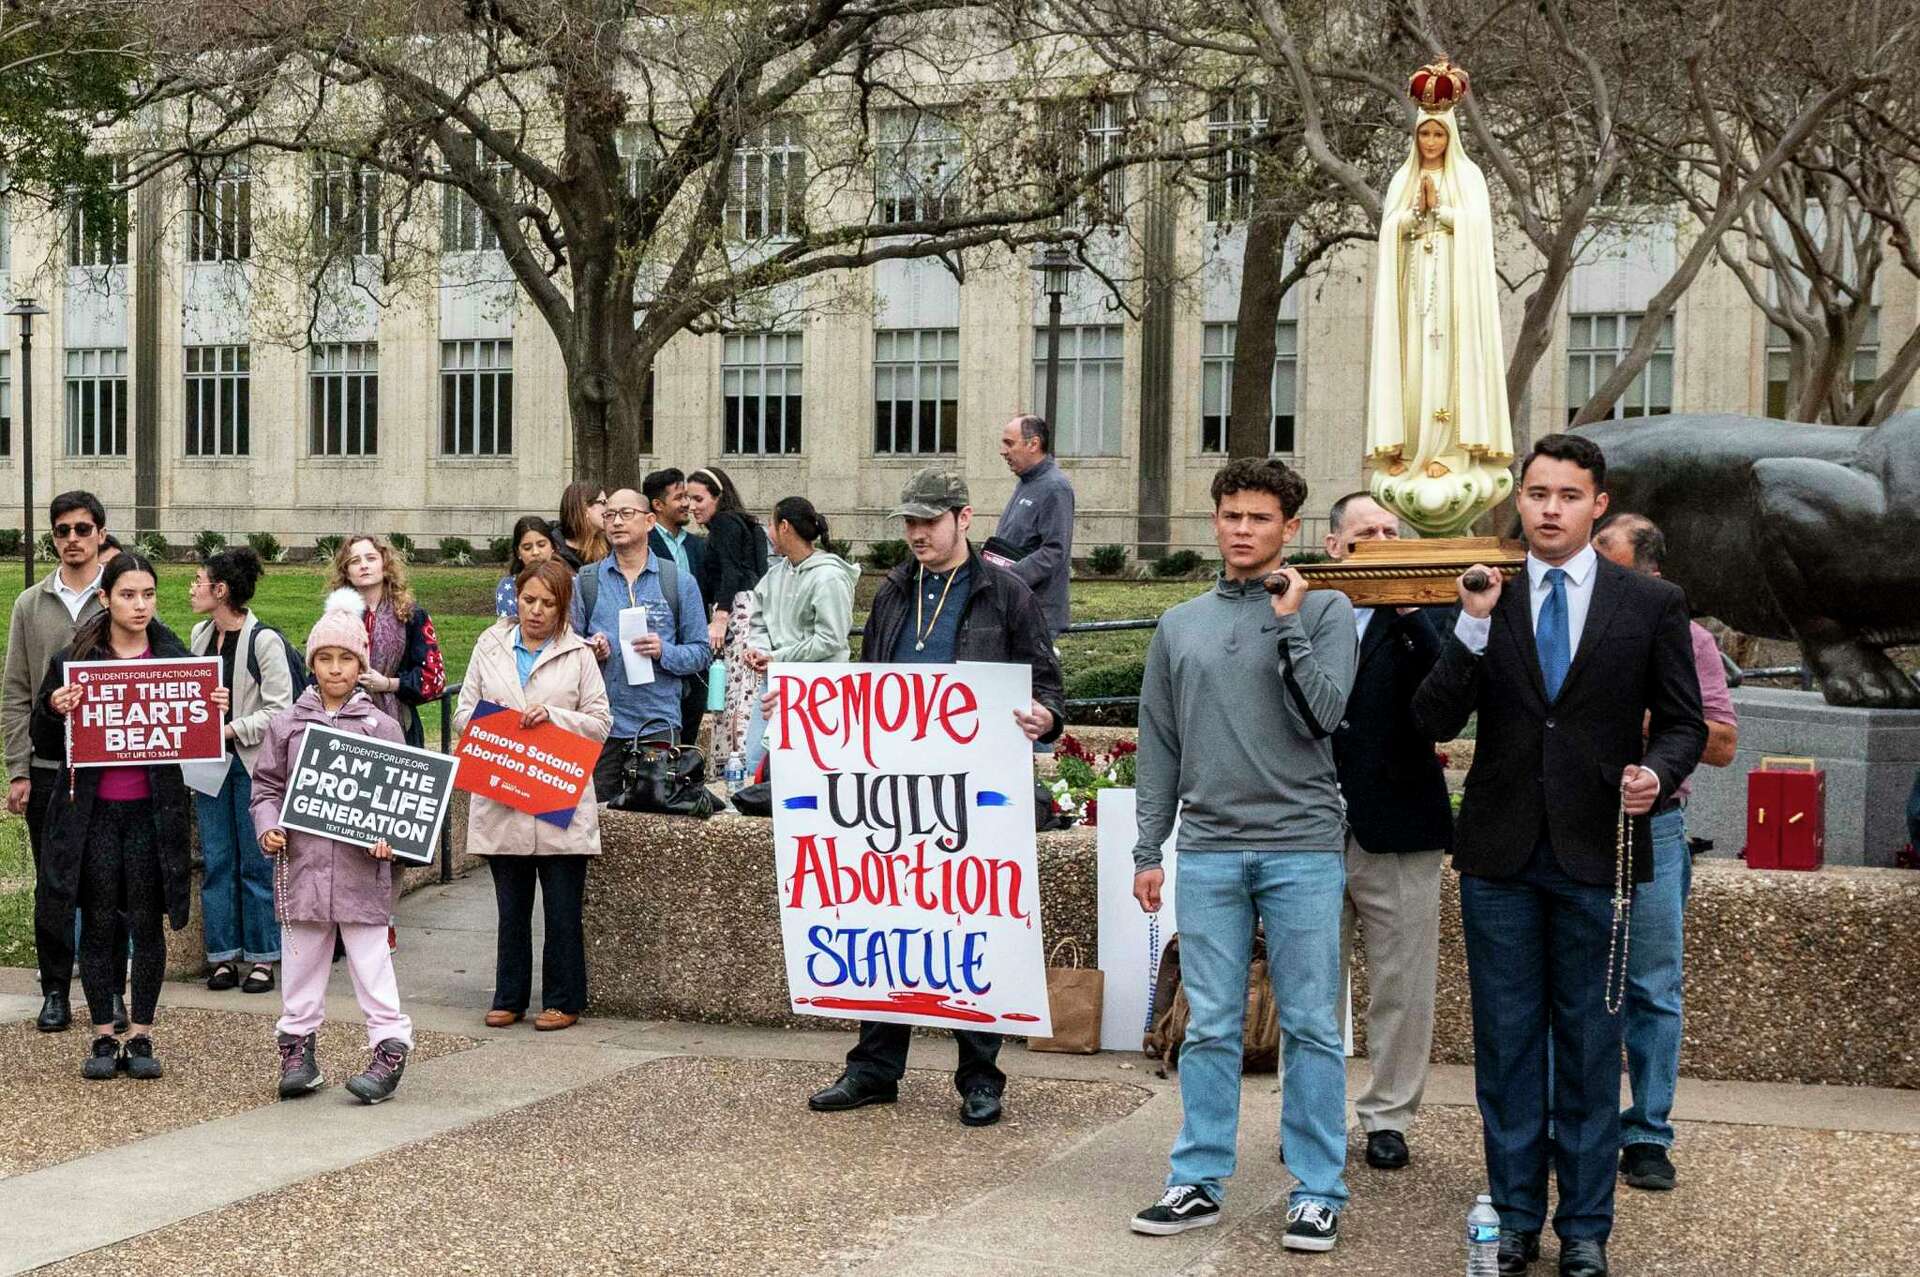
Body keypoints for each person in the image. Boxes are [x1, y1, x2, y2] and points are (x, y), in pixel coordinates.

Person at [1412, 434, 1707, 1277]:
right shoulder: (1484, 597)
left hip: (1599, 856)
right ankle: (1512, 1220)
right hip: (1500, 858)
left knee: (1587, 1048)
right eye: (1536, 493)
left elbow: (1685, 720)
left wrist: (1659, 769)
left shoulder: (1649, 603)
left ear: (1597, 504)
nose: (1549, 508)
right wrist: (1468, 627)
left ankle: (1584, 1229)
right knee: (1506, 1049)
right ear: (1521, 500)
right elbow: (1431, 719)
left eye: (1567, 495)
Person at [1127, 459, 1357, 1254]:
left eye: (1259, 517)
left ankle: (1319, 1187)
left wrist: (1288, 618)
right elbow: (1158, 743)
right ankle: (1196, 1175)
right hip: (1212, 848)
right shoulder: (1179, 624)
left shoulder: (1328, 610)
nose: (1241, 528)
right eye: (1230, 514)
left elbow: (1324, 715)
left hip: (1302, 846)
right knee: (1213, 1023)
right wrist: (1146, 847)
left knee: (1310, 1026)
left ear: (1289, 527)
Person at [804, 467, 1065, 1129]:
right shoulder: (894, 590)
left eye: (930, 520)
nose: (918, 533)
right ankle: (873, 1068)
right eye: (910, 522)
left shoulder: (1004, 593)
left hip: (975, 793)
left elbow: (1049, 685)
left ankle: (981, 1076)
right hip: (893, 792)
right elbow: (865, 687)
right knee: (888, 918)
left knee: (971, 925)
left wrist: (1046, 719)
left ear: (964, 518)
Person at [1592, 512, 1739, 1194]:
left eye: (1608, 559)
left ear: (1646, 571)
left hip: (1654, 827)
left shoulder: (1689, 636)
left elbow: (1722, 743)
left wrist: (1647, 710)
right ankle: (1581, 1123)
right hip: (1573, 824)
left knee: (1653, 984)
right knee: (1577, 982)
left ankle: (1648, 1131)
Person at [34, 553, 220, 1080]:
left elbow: (196, 735)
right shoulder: (74, 658)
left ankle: (141, 1034)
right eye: (128, 595)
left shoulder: (174, 658)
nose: (140, 605)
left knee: (146, 922)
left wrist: (213, 706)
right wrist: (56, 708)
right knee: (96, 923)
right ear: (105, 599)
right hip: (92, 816)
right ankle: (101, 1035)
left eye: (148, 595)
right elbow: (43, 739)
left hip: (151, 814)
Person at [1323, 492, 1452, 1173]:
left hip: (1400, 826)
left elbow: (1447, 708)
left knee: (1403, 985)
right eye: (1368, 532)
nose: (1382, 540)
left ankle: (1388, 1115)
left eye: (1392, 530)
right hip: (1309, 829)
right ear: (1336, 545)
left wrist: (1410, 613)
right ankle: (1311, 1112)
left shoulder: (1428, 613)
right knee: (1312, 983)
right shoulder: (1306, 610)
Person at [250, 593, 416, 1104]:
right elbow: (265, 789)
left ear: (361, 664)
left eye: (346, 659)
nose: (336, 669)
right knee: (300, 963)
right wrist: (268, 827)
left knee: (372, 965)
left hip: (361, 875)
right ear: (312, 663)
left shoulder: (383, 728)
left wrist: (394, 839)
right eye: (325, 658)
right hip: (301, 871)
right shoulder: (287, 724)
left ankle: (389, 1048)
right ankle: (297, 1048)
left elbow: (405, 800)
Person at [456, 559, 612, 1032]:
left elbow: (601, 721)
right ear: (515, 598)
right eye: (529, 600)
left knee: (563, 910)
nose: (537, 611)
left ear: (564, 607)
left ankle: (564, 998)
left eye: (548, 603)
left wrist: (554, 718)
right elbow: (463, 714)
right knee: (511, 910)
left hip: (558, 798)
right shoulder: (489, 644)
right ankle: (510, 996)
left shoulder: (579, 653)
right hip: (505, 792)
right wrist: (499, 721)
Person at [1366, 61, 1514, 535]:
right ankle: (1411, 450)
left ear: (1450, 137)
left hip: (1455, 300)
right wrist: (1412, 216)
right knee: (1413, 371)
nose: (1431, 143)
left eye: (1438, 135)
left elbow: (1479, 230)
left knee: (1450, 371)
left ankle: (1451, 452)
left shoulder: (1469, 178)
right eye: (1424, 135)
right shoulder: (1400, 181)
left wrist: (1444, 212)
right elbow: (1389, 230)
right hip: (1414, 298)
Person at [5, 490, 130, 1034]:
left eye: (83, 529)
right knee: (54, 885)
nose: (73, 539)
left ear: (101, 533)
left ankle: (113, 993)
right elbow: (15, 689)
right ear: (53, 538)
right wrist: (17, 767)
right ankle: (55, 988)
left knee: (114, 884)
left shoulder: (122, 598)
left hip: (112, 770)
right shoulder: (30, 604)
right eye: (63, 531)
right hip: (50, 770)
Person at [188, 546, 295, 995]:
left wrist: (231, 727)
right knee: (217, 860)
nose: (192, 587)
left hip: (251, 766)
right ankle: (222, 955)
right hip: (209, 766)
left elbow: (280, 711)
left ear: (222, 589)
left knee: (256, 862)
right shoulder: (198, 634)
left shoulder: (263, 641)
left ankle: (262, 957)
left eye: (200, 580)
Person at [570, 487, 710, 797]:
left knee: (656, 817)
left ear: (649, 521)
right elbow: (568, 648)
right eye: (609, 515)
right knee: (597, 816)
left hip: (657, 720)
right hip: (601, 721)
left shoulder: (678, 582)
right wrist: (592, 650)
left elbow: (702, 652)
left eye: (625, 514)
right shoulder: (587, 582)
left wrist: (665, 651)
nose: (616, 522)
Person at [740, 497, 857, 773]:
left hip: (819, 688)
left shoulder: (829, 576)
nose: (768, 533)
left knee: (810, 767)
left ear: (784, 527)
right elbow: (758, 621)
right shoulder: (776, 574)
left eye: (770, 523)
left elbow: (830, 639)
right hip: (775, 681)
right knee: (754, 762)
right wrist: (758, 649)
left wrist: (775, 656)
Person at [326, 535, 446, 748]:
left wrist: (389, 684)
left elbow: (433, 678)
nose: (364, 565)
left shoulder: (411, 615)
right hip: (343, 725)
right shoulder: (336, 616)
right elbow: (318, 672)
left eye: (370, 558)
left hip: (399, 725)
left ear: (385, 564)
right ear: (347, 572)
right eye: (355, 561)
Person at [687, 466, 770, 757]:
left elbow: (731, 574)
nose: (692, 506)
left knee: (735, 692)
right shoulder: (749, 525)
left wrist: (720, 617)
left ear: (718, 497)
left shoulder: (724, 523)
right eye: (689, 499)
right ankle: (743, 758)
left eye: (699, 499)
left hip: (736, 612)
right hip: (753, 611)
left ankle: (734, 760)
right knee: (745, 688)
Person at [994, 414, 1076, 638]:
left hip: (1037, 615)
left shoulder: (1055, 487)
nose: (1003, 451)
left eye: (1009, 443)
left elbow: (1054, 551)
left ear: (1034, 444)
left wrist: (1006, 578)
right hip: (1015, 607)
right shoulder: (1027, 483)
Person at [645, 468, 710, 744]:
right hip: (657, 658)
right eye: (679, 497)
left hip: (694, 654)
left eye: (688, 496)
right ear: (657, 505)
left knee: (689, 740)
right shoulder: (644, 543)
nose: (687, 504)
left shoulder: (697, 545)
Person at [496, 516, 559, 622]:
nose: (535, 552)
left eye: (541, 545)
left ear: (553, 547)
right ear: (518, 553)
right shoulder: (508, 587)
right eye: (527, 548)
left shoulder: (572, 582)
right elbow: (507, 630)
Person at [556, 482, 611, 569]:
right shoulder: (555, 551)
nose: (608, 509)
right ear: (584, 507)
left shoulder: (610, 546)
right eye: (603, 503)